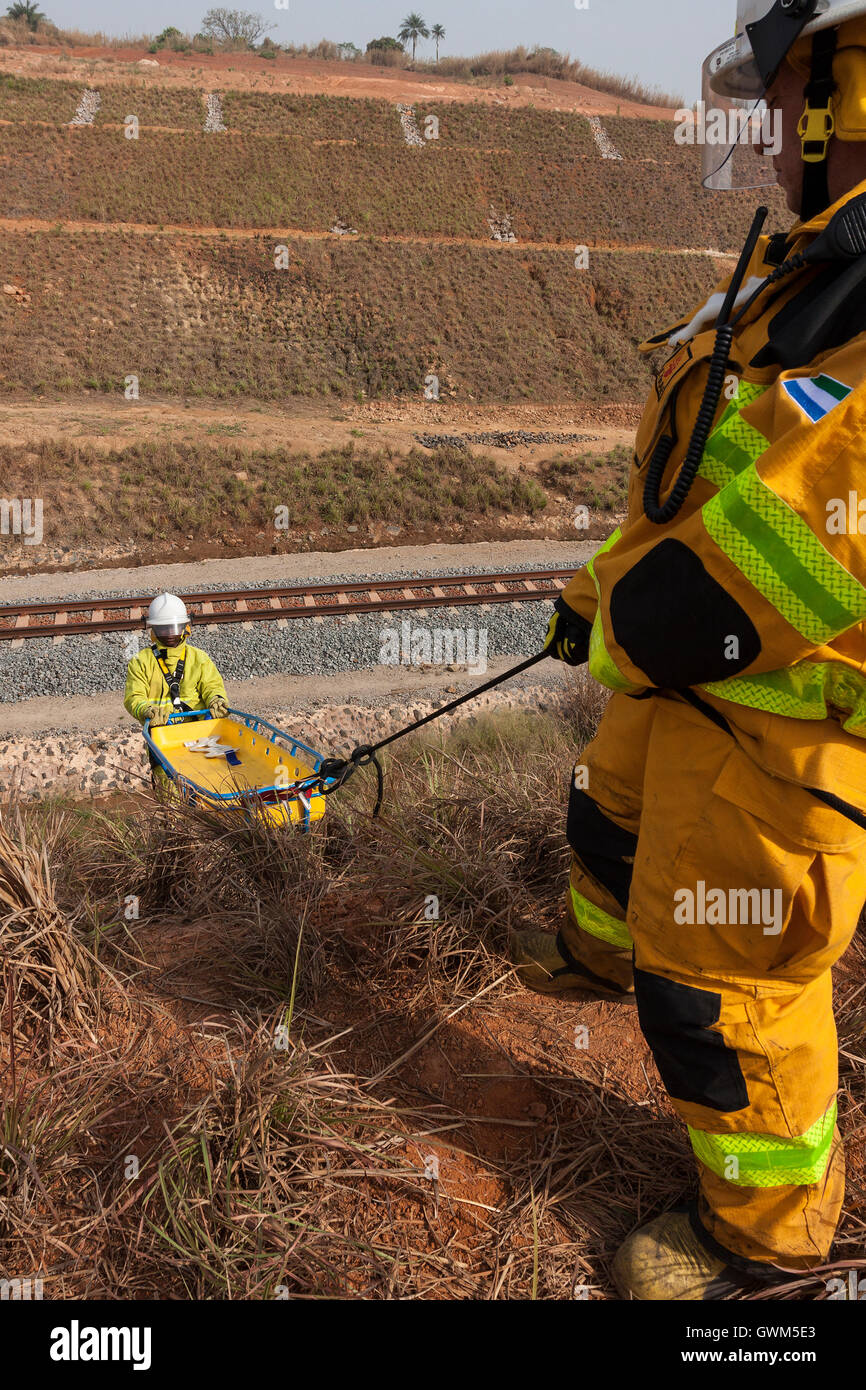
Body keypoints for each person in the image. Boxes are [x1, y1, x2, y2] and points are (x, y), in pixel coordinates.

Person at [512, 0, 866, 1298]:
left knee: (720, 988)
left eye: (777, 96)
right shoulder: (802, 286)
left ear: (845, 87)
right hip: (688, 683)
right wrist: (595, 592)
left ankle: (764, 1251)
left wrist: (656, 617)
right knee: (605, 819)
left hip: (791, 732)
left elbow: (826, 518)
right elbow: (688, 491)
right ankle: (597, 950)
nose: (765, 132)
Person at [124, 593, 229, 783]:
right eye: (164, 629)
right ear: (154, 630)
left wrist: (217, 699)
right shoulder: (141, 662)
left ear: (185, 627)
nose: (170, 634)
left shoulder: (199, 658)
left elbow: (212, 686)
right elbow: (134, 696)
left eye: (174, 628)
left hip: (201, 737)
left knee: (208, 782)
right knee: (169, 788)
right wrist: (146, 710)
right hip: (163, 739)